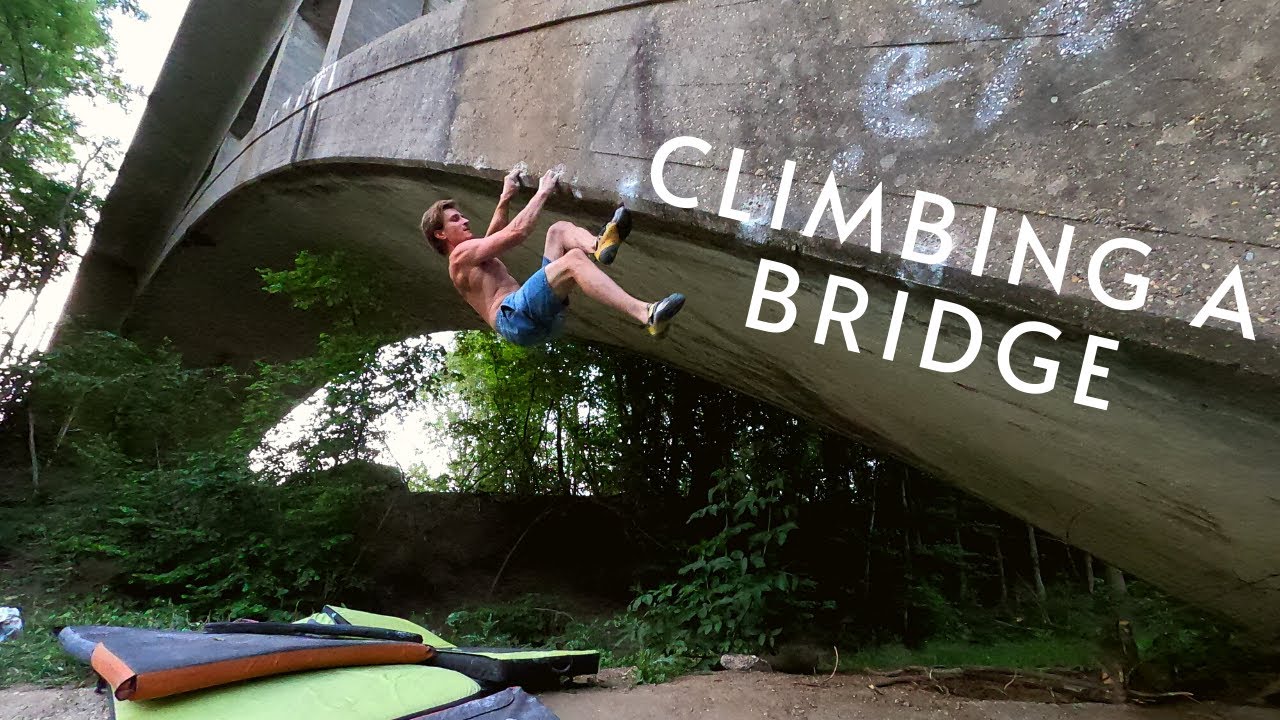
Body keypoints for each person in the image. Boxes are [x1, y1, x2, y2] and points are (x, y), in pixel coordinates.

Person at [421, 166, 685, 347]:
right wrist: (542, 191)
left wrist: (505, 197)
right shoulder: (459, 257)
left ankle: (599, 244)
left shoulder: (469, 259)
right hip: (515, 318)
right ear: (441, 234)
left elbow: (495, 234)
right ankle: (646, 314)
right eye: (455, 219)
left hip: (530, 318)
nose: (465, 220)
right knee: (573, 262)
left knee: (558, 231)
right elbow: (517, 232)